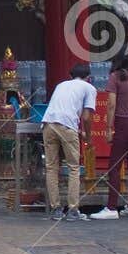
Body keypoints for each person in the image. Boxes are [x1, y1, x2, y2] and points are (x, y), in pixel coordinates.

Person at [91, 53, 128, 220]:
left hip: (123, 124)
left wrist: (108, 127)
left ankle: (111, 207)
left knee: (114, 167)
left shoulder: (115, 77)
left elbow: (111, 104)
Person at [42, 63, 98, 221]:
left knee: (52, 168)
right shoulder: (89, 88)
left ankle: (56, 209)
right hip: (67, 125)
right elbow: (86, 117)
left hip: (48, 124)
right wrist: (87, 136)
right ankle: (73, 209)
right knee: (74, 168)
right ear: (89, 77)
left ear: (71, 75)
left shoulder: (61, 85)